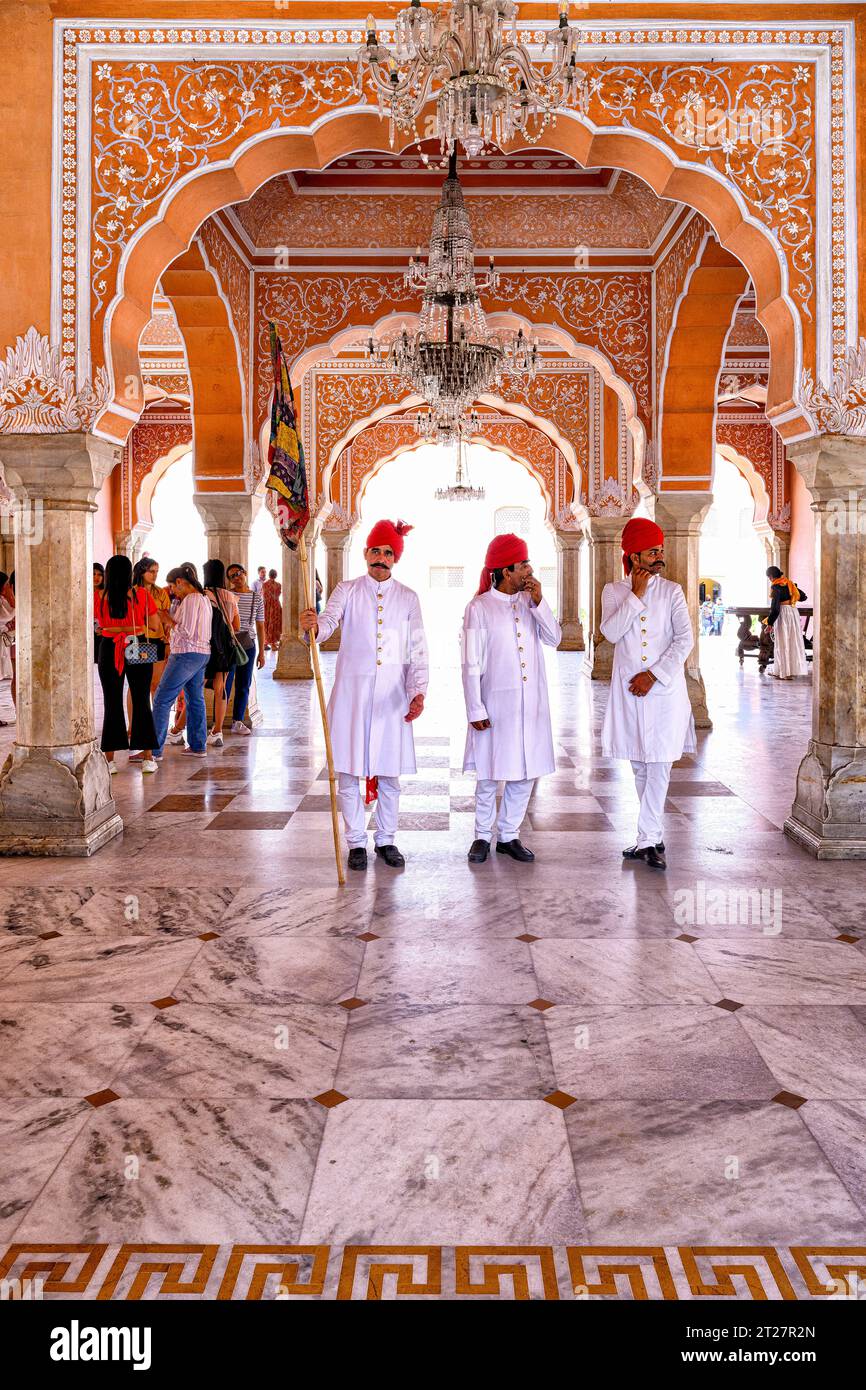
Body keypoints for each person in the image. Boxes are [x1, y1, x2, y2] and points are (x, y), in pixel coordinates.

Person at [300, 518, 428, 872]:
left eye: (388, 552)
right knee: (347, 773)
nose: (381, 558)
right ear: (365, 553)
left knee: (389, 775)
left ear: (395, 558)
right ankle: (356, 841)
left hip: (391, 699)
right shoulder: (347, 589)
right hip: (351, 698)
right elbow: (328, 624)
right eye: (376, 551)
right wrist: (315, 626)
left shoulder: (408, 598)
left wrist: (418, 691)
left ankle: (386, 839)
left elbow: (417, 649)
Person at [600, 517, 696, 870]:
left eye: (660, 549)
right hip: (628, 691)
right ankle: (651, 837)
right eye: (652, 550)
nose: (659, 555)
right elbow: (610, 633)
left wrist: (654, 675)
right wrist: (636, 596)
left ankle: (646, 839)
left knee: (659, 764)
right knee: (640, 763)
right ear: (634, 556)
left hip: (664, 692)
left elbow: (684, 640)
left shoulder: (672, 591)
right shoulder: (614, 591)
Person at [461, 534, 561, 864]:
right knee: (490, 773)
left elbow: (555, 638)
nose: (530, 571)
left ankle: (509, 835)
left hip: (530, 704)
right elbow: (471, 661)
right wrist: (474, 706)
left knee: (524, 771)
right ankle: (481, 836)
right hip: (494, 703)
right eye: (524, 566)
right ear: (507, 571)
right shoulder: (479, 607)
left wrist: (539, 601)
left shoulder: (529, 602)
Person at [93, 554, 159, 774]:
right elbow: (156, 626)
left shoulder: (99, 596)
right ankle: (148, 758)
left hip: (110, 645)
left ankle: (109, 760)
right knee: (141, 699)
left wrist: (107, 628)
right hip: (137, 644)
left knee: (111, 701)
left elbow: (95, 625)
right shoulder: (141, 594)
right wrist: (137, 629)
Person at [151, 563, 213, 759]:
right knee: (195, 699)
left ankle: (153, 751)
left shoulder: (192, 599)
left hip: (186, 654)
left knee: (162, 699)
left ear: (179, 582)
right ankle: (197, 746)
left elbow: (186, 632)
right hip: (201, 654)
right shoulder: (204, 599)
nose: (172, 592)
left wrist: (167, 619)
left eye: (172, 587)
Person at [202, 558, 240, 748]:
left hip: (207, 644)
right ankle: (217, 731)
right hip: (226, 646)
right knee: (221, 687)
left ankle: (180, 728)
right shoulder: (230, 596)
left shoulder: (204, 595)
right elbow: (236, 625)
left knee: (195, 687)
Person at [225, 563, 266, 731]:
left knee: (244, 683)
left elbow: (261, 625)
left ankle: (238, 721)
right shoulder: (227, 596)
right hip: (229, 643)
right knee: (226, 683)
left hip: (248, 644)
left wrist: (262, 652)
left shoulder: (256, 597)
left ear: (245, 573)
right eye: (232, 576)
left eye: (238, 573)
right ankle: (219, 723)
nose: (236, 577)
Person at [765, 566, 808, 679]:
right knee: (792, 641)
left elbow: (775, 608)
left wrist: (770, 623)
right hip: (793, 612)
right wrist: (794, 587)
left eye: (769, 577)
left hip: (783, 614)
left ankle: (784, 673)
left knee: (782, 642)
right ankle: (789, 671)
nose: (770, 579)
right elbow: (803, 597)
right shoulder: (789, 583)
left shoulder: (776, 586)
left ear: (771, 577)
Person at [262, 567, 282, 650]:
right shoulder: (278, 585)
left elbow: (264, 596)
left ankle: (266, 642)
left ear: (269, 575)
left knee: (267, 624)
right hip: (276, 606)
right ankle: (273, 643)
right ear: (276, 575)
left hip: (267, 606)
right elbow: (278, 595)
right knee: (275, 624)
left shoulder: (265, 584)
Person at [93, 563, 105, 665]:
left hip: (102, 630)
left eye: (99, 574)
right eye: (93, 574)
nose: (96, 577)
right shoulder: (81, 591)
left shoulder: (106, 593)